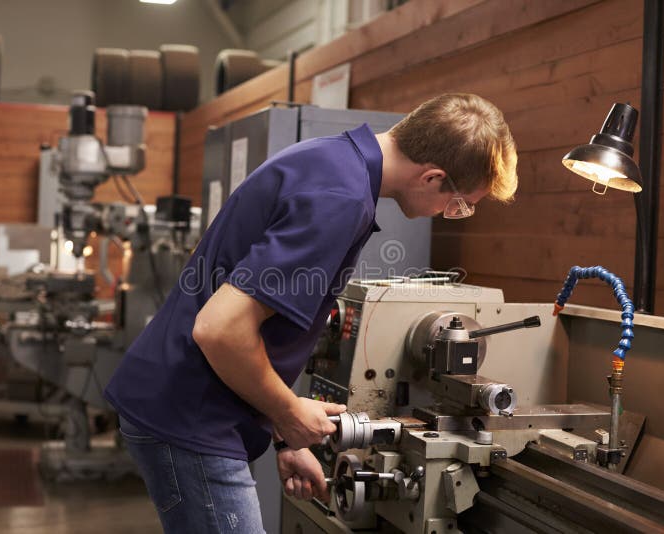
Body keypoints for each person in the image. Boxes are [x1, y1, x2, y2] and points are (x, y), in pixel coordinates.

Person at [104, 93, 518, 533]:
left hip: (190, 404)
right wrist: (286, 411)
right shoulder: (341, 199)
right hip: (192, 415)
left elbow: (254, 327)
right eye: (460, 204)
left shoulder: (332, 160)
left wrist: (283, 434)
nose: (452, 214)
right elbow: (219, 330)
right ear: (433, 177)